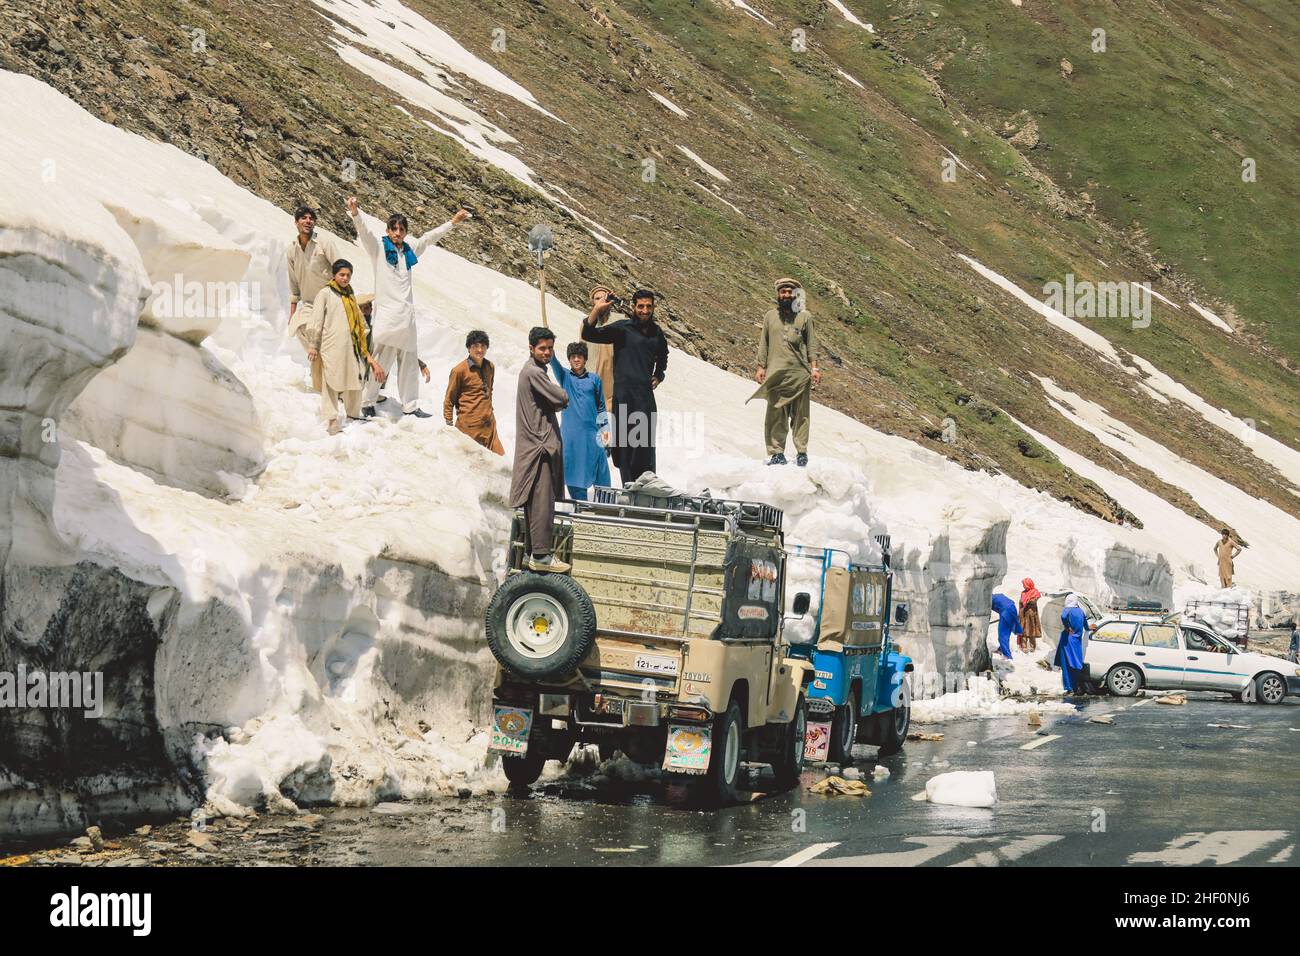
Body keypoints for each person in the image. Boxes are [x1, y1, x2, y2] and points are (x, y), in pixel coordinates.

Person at [346, 195, 469, 417]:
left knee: (409, 363)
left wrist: (453, 221)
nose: (397, 233)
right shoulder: (380, 250)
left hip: (406, 317)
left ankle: (410, 406)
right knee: (382, 360)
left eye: (401, 229)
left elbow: (429, 238)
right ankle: (367, 401)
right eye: (394, 229)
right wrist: (355, 212)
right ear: (388, 230)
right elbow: (365, 234)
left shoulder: (409, 250)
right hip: (387, 317)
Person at [581, 289, 668, 485]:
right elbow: (589, 333)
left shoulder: (657, 332)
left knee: (644, 448)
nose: (645, 310)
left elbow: (663, 356)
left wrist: (658, 375)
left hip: (645, 399)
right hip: (623, 398)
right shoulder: (622, 329)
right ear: (633, 307)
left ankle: (646, 490)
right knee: (624, 449)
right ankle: (628, 489)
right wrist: (597, 310)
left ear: (653, 307)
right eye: (641, 306)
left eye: (648, 306)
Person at [510, 327, 570, 573]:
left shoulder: (535, 372)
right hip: (539, 449)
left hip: (538, 448)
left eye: (550, 348)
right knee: (542, 504)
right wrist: (559, 393)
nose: (546, 353)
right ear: (531, 348)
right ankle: (541, 555)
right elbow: (561, 398)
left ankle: (535, 553)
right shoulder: (534, 373)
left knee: (538, 503)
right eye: (542, 348)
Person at [308, 260, 386, 435]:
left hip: (351, 347)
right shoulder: (325, 293)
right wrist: (313, 345)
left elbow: (359, 321)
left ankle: (352, 414)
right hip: (331, 345)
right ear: (334, 275)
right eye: (342, 274)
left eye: (348, 275)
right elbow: (316, 320)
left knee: (355, 379)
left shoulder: (350, 295)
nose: (345, 278)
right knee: (331, 381)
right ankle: (331, 420)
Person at [751, 278, 819, 466]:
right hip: (776, 373)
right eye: (783, 292)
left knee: (801, 415)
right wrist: (760, 367)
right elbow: (764, 343)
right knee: (776, 413)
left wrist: (814, 368)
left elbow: (812, 344)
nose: (787, 295)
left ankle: (801, 451)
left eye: (790, 292)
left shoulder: (805, 317)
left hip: (799, 373)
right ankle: (776, 452)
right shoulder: (770, 316)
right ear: (778, 294)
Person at [285, 205, 342, 392]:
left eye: (311, 218)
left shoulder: (324, 244)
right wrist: (293, 311)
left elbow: (340, 268)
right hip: (308, 303)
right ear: (296, 223)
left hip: (329, 299)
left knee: (326, 341)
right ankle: (322, 378)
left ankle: (329, 382)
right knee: (301, 327)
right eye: (303, 218)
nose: (308, 221)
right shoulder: (292, 250)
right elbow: (293, 282)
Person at [550, 341, 611, 501]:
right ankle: (581, 510)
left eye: (580, 357)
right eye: (573, 357)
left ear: (585, 359)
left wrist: (606, 436)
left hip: (592, 435)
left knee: (602, 475)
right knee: (573, 473)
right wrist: (549, 342)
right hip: (570, 437)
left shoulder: (594, 379)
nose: (576, 360)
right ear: (569, 360)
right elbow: (552, 360)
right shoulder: (565, 377)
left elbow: (601, 410)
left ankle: (605, 511)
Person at [443, 330, 504, 455]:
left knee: (501, 463)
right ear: (468, 348)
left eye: (483, 346)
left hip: (489, 427)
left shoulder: (490, 367)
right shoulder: (459, 371)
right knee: (475, 468)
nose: (480, 350)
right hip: (469, 429)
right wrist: (449, 427)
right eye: (475, 346)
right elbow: (449, 400)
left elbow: (489, 391)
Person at [585, 286, 617, 413]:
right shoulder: (586, 324)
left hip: (612, 382)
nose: (600, 301)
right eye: (597, 299)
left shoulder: (620, 321)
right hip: (591, 378)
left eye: (604, 298)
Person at [1056, 594, 1088, 695]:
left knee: (1066, 664)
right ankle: (1076, 686)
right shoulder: (1080, 611)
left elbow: (1063, 616)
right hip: (1076, 640)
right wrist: (1091, 628)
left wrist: (1067, 626)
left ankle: (1069, 687)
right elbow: (1086, 626)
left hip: (1067, 639)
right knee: (1075, 662)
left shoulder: (1068, 609)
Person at [991, 593, 1022, 660]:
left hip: (1006, 612)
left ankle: (1007, 655)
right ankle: (1001, 649)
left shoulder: (988, 600)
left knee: (1002, 635)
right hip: (1012, 608)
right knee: (1006, 633)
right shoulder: (997, 596)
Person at [1018, 577, 1042, 653]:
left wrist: (1029, 601)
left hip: (1031, 615)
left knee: (1032, 630)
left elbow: (1034, 601)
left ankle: (1032, 646)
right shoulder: (1023, 593)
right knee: (1023, 630)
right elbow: (1021, 603)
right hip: (1024, 614)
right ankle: (1024, 646)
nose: (1023, 586)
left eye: (1024, 584)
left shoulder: (1035, 592)